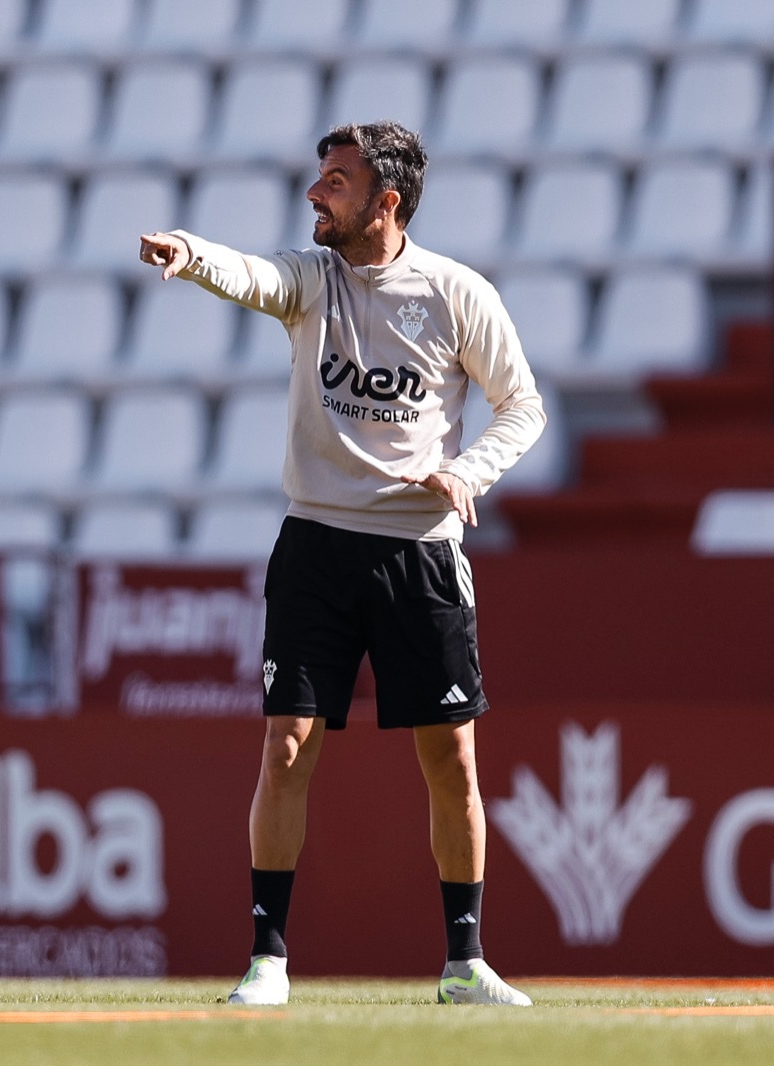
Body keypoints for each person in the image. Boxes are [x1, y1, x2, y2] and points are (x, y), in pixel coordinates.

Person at [138, 120, 545, 1007]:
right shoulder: (312, 280)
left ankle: (465, 963)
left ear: (385, 201)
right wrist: (190, 252)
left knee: (453, 763)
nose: (318, 192)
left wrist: (467, 470)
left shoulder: (454, 294)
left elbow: (523, 408)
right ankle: (268, 960)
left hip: (420, 554)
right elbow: (253, 273)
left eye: (336, 181)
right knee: (286, 748)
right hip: (316, 545)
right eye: (321, 177)